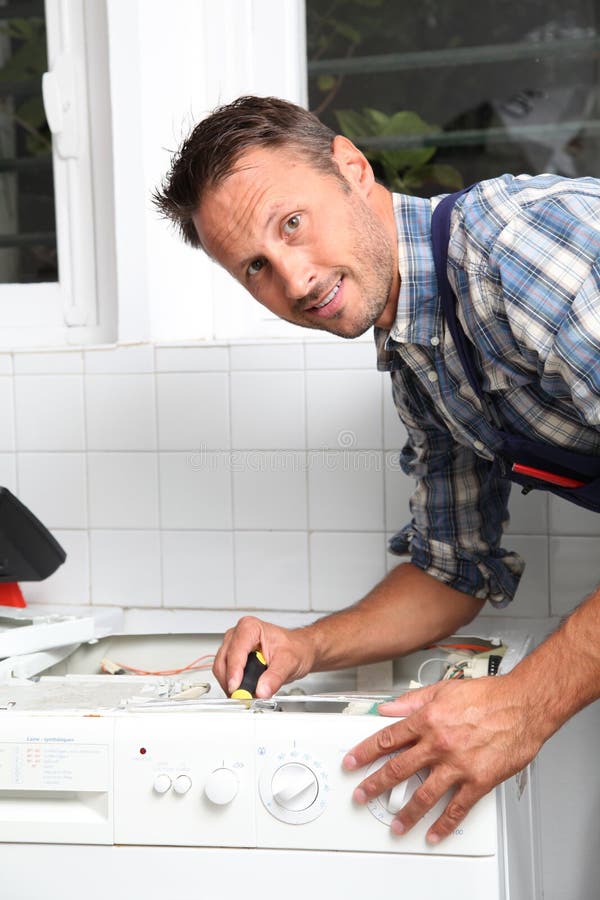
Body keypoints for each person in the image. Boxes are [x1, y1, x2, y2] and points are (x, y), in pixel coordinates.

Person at [154, 95, 600, 845]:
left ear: (352, 168)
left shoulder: (516, 250)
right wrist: (307, 646)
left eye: (290, 223)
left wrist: (527, 704)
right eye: (255, 267)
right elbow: (452, 573)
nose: (292, 280)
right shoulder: (419, 355)